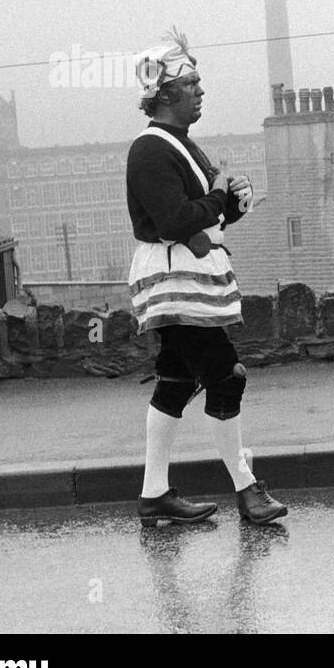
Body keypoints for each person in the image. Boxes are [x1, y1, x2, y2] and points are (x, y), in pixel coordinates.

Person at [127, 28, 287, 526]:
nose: (201, 90)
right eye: (192, 83)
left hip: (189, 276)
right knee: (226, 376)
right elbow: (175, 221)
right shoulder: (151, 148)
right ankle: (246, 488)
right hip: (176, 280)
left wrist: (232, 202)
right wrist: (218, 196)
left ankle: (155, 494)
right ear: (165, 93)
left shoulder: (182, 145)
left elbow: (205, 218)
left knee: (176, 380)